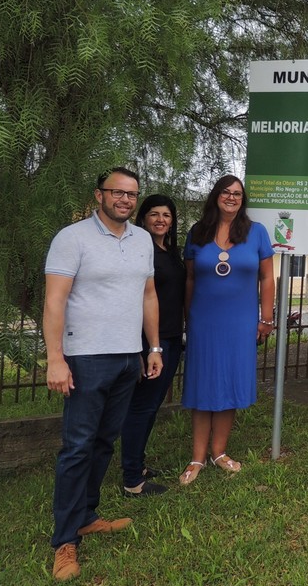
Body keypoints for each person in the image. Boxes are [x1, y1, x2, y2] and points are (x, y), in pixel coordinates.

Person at [44, 167, 162, 581]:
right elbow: (55, 302)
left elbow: (148, 295)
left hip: (128, 357)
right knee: (77, 447)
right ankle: (64, 541)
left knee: (102, 442)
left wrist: (154, 347)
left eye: (132, 194)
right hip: (85, 359)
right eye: (118, 192)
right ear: (100, 195)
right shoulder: (71, 238)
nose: (126, 200)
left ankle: (87, 515)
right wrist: (55, 358)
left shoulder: (143, 239)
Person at [178, 175, 275, 485]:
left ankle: (219, 452)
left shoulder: (256, 232)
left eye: (237, 193)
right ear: (216, 196)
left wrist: (266, 319)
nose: (232, 197)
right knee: (202, 384)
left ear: (242, 200)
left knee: (229, 383)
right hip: (204, 320)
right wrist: (187, 317)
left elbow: (268, 279)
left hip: (240, 323)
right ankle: (197, 457)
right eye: (226, 192)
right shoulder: (198, 233)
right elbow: (190, 278)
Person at [120, 194, 186, 497]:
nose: (161, 220)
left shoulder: (170, 252)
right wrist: (150, 347)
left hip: (172, 338)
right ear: (143, 217)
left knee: (151, 406)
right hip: (151, 341)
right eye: (154, 214)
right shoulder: (138, 249)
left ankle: (139, 464)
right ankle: (132, 479)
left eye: (167, 215)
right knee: (141, 407)